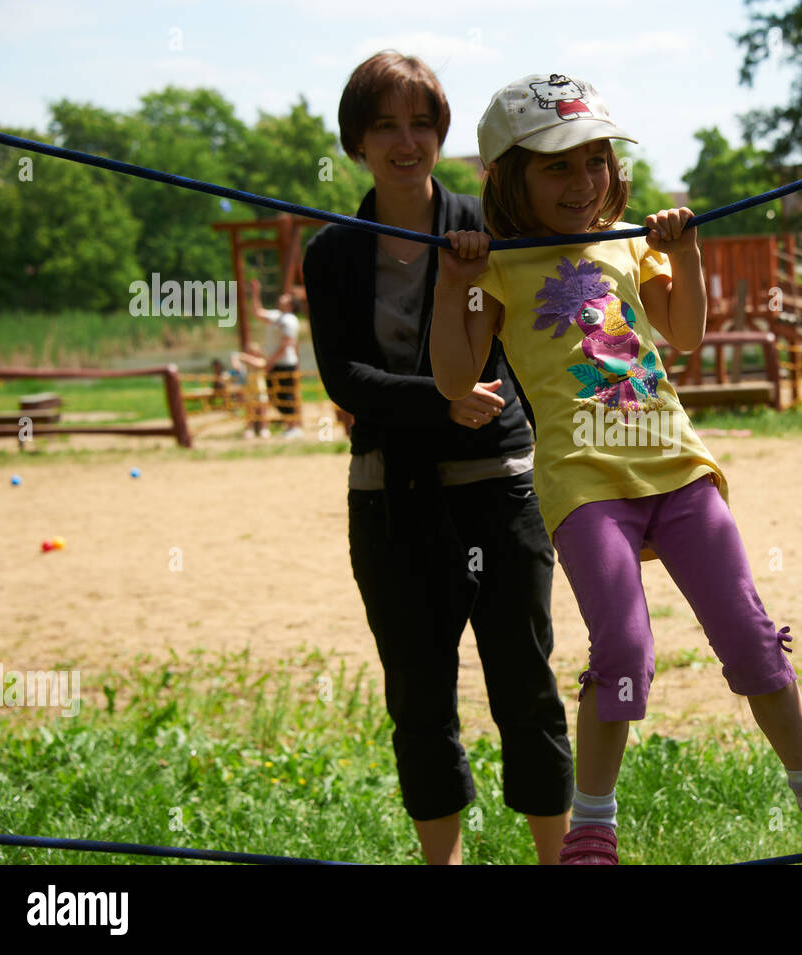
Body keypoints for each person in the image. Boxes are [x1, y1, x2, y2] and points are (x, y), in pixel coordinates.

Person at [430, 73, 802, 865]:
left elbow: (683, 334)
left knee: (754, 639)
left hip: (678, 467)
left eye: (594, 161)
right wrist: (454, 286)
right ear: (507, 177)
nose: (583, 183)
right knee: (622, 648)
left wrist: (685, 255)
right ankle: (592, 825)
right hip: (584, 479)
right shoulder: (499, 266)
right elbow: (455, 377)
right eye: (556, 167)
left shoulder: (629, 243)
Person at [303, 53, 573, 865]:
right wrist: (439, 396)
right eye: (384, 124)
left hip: (500, 489)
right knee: (419, 701)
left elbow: (534, 339)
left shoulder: (488, 231)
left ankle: (562, 860)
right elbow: (342, 375)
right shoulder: (333, 252)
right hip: (391, 499)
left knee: (526, 688)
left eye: (421, 122)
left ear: (442, 132)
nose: (405, 140)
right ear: (357, 140)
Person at [248, 279, 303, 438]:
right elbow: (257, 313)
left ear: (291, 304)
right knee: (274, 395)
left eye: (286, 297)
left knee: (286, 394)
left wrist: (269, 362)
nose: (282, 297)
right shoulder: (277, 317)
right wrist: (255, 293)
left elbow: (286, 344)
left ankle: (293, 426)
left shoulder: (289, 320)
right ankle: (289, 425)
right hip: (275, 363)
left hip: (285, 363)